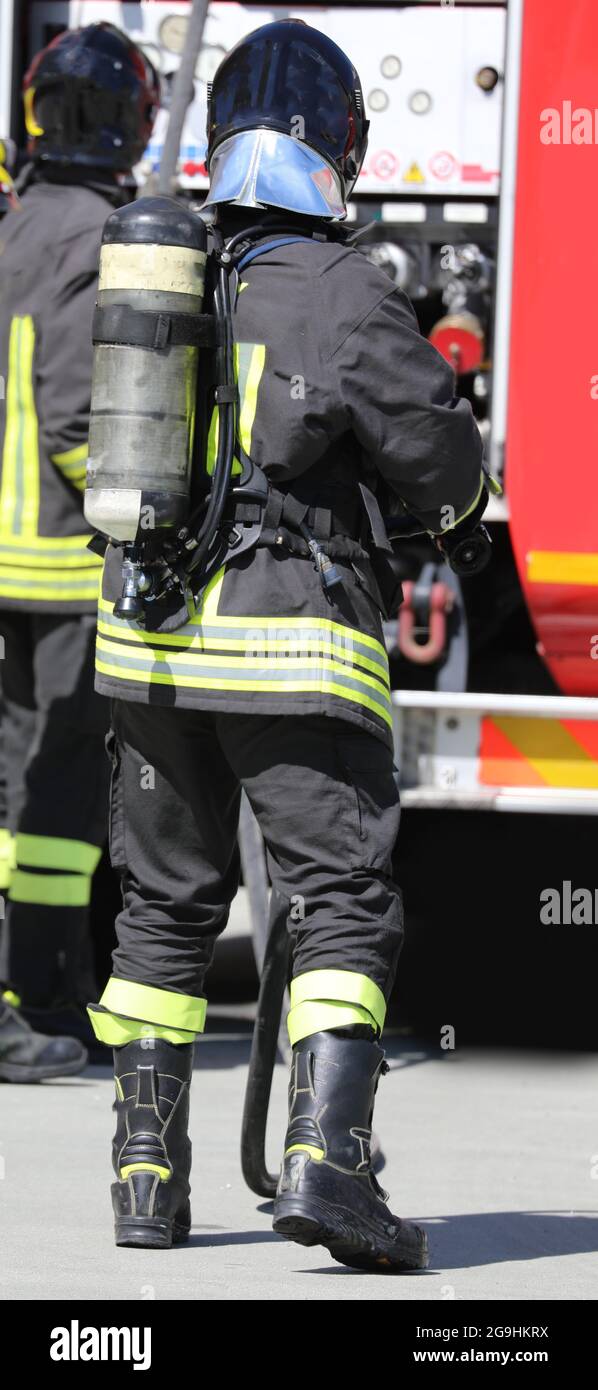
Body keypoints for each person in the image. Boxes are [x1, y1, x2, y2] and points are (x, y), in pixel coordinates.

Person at [87, 19, 486, 1269]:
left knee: (160, 907)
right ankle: (331, 1164)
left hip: (143, 650)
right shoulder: (344, 284)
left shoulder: (166, 274)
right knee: (338, 902)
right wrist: (459, 521)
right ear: (335, 148)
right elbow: (435, 446)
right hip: (285, 655)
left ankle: (147, 1180)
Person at [0, 22, 158, 1081]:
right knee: (55, 800)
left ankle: (40, 994)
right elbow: (69, 414)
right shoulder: (100, 238)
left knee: (20, 784)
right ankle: (38, 997)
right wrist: (138, 520)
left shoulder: (17, 225)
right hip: (59, 565)